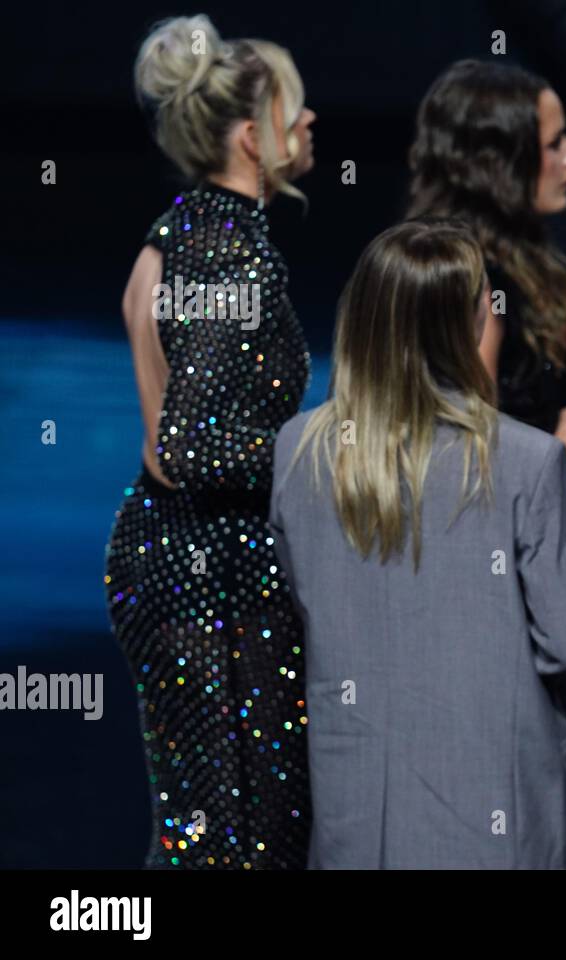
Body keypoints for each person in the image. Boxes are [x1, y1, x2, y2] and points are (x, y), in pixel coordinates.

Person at [269, 219, 566, 868]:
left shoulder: (299, 451)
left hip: (358, 809)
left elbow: (306, 601)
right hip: (493, 812)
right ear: (470, 324)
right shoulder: (527, 460)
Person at [105, 14, 316, 868]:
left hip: (177, 556)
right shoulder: (230, 255)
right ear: (247, 138)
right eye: (294, 111)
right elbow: (189, 447)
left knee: (200, 830)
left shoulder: (180, 229)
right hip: (210, 569)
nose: (310, 125)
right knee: (242, 840)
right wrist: (321, 450)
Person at [406, 58, 566, 489]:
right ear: (500, 162)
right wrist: (561, 449)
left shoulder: (521, 262)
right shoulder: (465, 279)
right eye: (555, 143)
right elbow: (457, 464)